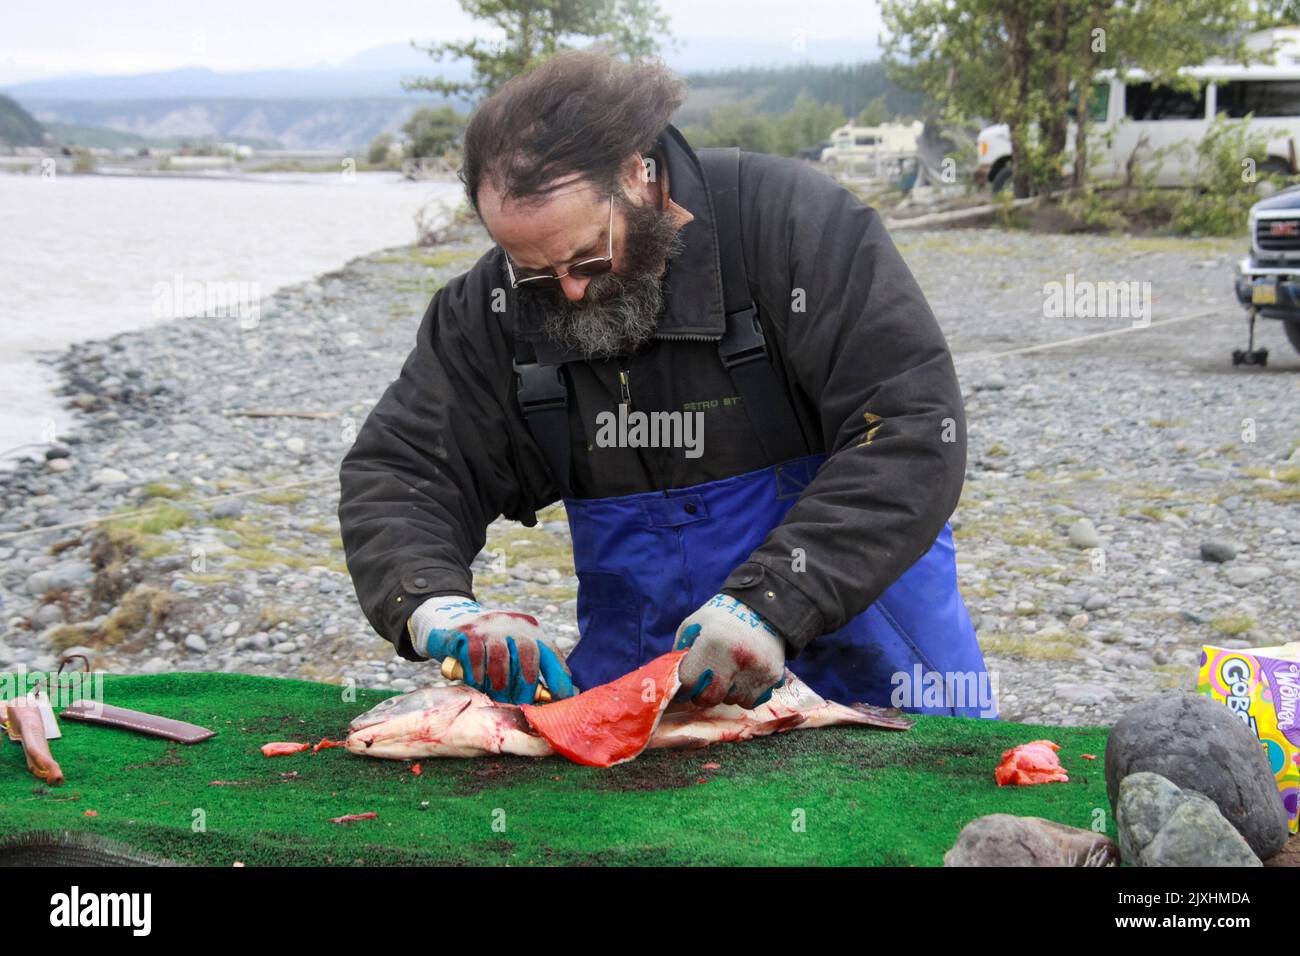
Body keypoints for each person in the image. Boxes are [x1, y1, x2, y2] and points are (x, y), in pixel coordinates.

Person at [338, 51, 996, 718]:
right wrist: (433, 604)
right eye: (534, 273)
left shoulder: (796, 227)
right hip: (651, 704)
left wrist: (771, 603)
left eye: (589, 256)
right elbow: (403, 470)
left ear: (636, 172)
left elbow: (914, 429)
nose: (570, 291)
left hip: (872, 674)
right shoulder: (490, 309)